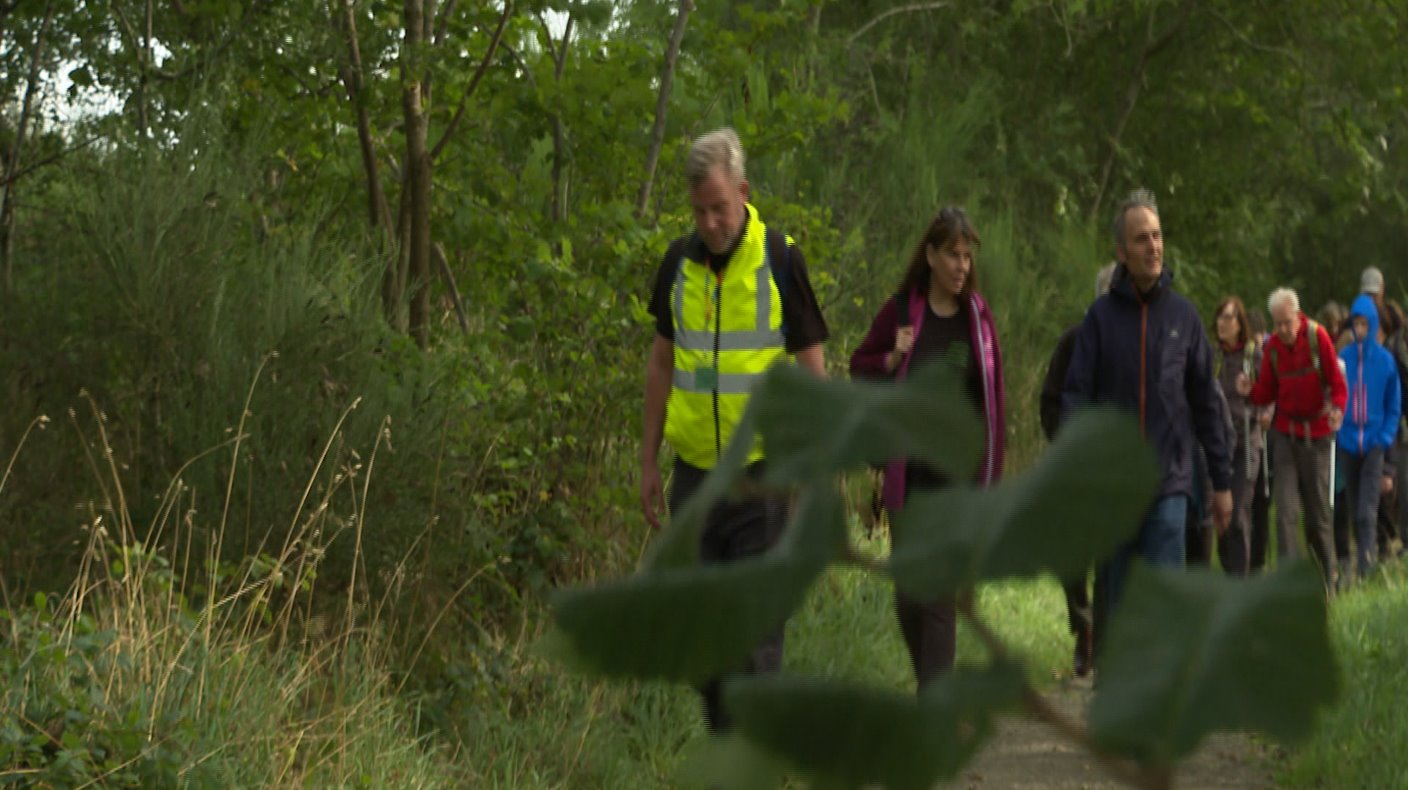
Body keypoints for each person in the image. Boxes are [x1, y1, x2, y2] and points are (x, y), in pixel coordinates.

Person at [640, 128, 829, 732]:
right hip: (694, 480)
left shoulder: (780, 258)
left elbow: (812, 368)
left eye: (718, 207)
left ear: (743, 192)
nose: (710, 222)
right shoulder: (677, 263)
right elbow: (661, 363)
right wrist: (647, 461)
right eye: (698, 210)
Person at [850, 206, 1006, 691]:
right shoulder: (900, 312)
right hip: (907, 477)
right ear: (932, 255)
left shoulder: (978, 321)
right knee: (910, 596)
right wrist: (891, 356)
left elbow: (995, 401)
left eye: (967, 256)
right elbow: (860, 366)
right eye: (953, 255)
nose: (962, 265)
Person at [1061, 189, 1233, 625]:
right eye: (1142, 239)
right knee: (1117, 607)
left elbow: (1207, 404)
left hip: (1169, 486)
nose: (1153, 246)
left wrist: (1222, 482)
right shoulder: (1099, 320)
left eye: (1157, 236)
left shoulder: (1185, 319)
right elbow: (1076, 399)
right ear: (1121, 251)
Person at [1241, 288, 1348, 592]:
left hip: (1317, 436)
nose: (1283, 330)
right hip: (1285, 435)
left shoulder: (1318, 338)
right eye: (1278, 324)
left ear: (1298, 316)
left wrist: (1338, 410)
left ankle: (1326, 584)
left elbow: (1338, 386)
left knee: (1317, 517)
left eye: (1287, 322)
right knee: (1285, 514)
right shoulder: (1273, 347)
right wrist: (1249, 389)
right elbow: (1265, 392)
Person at [1039, 262, 1115, 677]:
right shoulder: (1072, 342)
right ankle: (1083, 626)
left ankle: (1103, 642)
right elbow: (1048, 402)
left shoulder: (1131, 347)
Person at [1336, 295, 1401, 581]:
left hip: (1374, 444)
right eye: (1356, 324)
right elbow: (1335, 396)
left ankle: (1367, 569)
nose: (1360, 329)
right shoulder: (1344, 359)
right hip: (1348, 443)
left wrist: (1385, 437)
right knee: (1353, 509)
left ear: (1373, 324)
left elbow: (1393, 404)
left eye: (1365, 324)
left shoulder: (1386, 362)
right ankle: (1357, 564)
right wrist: (1338, 429)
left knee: (1367, 510)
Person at [1211, 295, 1264, 575]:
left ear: (1239, 323)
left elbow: (1268, 392)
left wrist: (1259, 407)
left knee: (1239, 514)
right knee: (1219, 515)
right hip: (1218, 445)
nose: (1223, 323)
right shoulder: (1213, 357)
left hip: (1246, 442)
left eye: (1228, 317)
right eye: (1220, 317)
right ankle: (1230, 575)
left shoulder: (1253, 355)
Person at [1247, 309, 1275, 571]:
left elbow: (1273, 390)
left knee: (1263, 498)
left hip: (1269, 434)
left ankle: (1258, 559)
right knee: (1253, 498)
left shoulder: (1270, 353)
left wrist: (1268, 413)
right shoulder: (1247, 356)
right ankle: (1251, 559)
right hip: (1251, 433)